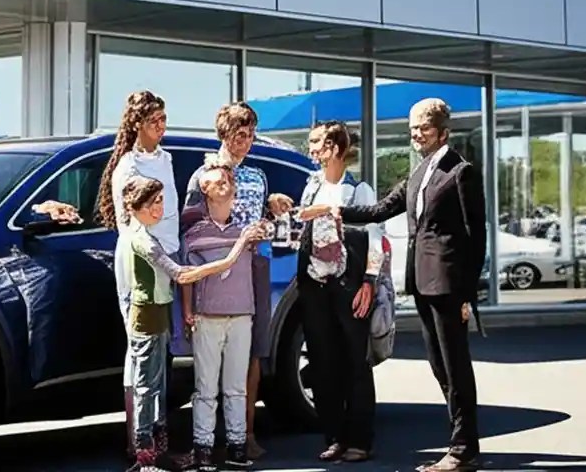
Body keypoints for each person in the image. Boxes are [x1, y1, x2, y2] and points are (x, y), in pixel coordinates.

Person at [298, 98, 487, 472]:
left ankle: (464, 448)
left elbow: (474, 234)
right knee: (439, 367)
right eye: (413, 129)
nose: (417, 135)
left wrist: (468, 294)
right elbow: (380, 210)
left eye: (424, 129)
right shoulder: (419, 173)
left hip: (449, 285)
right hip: (423, 283)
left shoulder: (460, 171)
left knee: (455, 367)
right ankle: (459, 446)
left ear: (443, 132)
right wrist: (338, 210)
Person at [121, 175, 261, 472]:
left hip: (157, 315)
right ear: (135, 207)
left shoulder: (147, 234)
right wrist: (229, 258)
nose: (159, 208)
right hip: (146, 317)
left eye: (160, 201)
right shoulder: (142, 239)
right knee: (148, 386)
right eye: (152, 203)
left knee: (157, 385)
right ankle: (146, 456)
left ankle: (157, 453)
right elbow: (181, 275)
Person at [181, 102, 293, 460]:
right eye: (239, 135)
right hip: (213, 268)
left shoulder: (257, 176)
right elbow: (190, 227)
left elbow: (261, 221)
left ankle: (244, 433)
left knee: (254, 348)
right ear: (224, 135)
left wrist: (270, 214)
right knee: (210, 357)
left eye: (251, 135)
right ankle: (205, 439)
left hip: (254, 263)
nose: (246, 142)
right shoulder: (204, 175)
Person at [293, 121, 384, 463]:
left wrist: (370, 281)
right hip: (314, 283)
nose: (311, 148)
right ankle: (334, 436)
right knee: (322, 360)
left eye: (316, 142)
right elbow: (302, 219)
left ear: (333, 148)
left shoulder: (359, 189)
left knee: (355, 361)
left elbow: (375, 237)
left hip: (350, 282)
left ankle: (360, 439)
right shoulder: (311, 185)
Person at [94, 90, 179, 459]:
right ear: (136, 125)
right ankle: (138, 443)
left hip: (166, 265)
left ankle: (158, 441)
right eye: (153, 121)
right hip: (142, 266)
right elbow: (133, 224)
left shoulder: (167, 160)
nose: (161, 127)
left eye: (164, 119)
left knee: (161, 357)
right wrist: (164, 259)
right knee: (140, 356)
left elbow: (171, 214)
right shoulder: (128, 167)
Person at [181, 162, 273, 471]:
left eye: (228, 181)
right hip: (208, 316)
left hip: (241, 315)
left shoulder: (245, 233)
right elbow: (188, 276)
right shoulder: (195, 234)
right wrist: (188, 311)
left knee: (236, 386)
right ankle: (203, 447)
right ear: (205, 191)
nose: (227, 185)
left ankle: (237, 446)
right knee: (205, 387)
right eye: (219, 182)